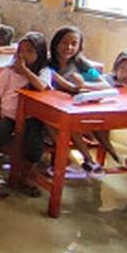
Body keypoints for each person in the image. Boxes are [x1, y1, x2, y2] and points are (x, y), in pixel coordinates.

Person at [0, 32, 52, 198]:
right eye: (21, 51)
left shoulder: (44, 71)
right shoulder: (9, 71)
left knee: (34, 145)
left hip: (31, 117)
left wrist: (24, 70)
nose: (23, 56)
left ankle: (24, 178)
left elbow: (42, 86)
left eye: (30, 51)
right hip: (8, 114)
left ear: (40, 54)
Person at [47, 26, 109, 176]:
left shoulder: (82, 64)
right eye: (64, 43)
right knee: (56, 122)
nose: (68, 47)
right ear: (55, 44)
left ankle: (88, 161)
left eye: (74, 44)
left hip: (74, 110)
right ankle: (71, 159)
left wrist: (84, 84)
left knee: (71, 125)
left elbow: (105, 85)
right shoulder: (47, 64)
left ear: (79, 46)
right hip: (51, 111)